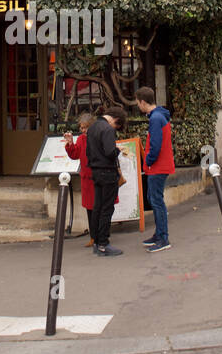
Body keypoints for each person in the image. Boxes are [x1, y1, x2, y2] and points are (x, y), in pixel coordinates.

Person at [136, 86, 175, 252]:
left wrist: (149, 160)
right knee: (154, 198)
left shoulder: (155, 118)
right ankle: (159, 234)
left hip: (158, 166)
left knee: (156, 200)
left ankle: (163, 237)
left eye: (138, 102)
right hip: (162, 164)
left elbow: (155, 144)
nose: (138, 105)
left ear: (143, 102)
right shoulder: (160, 115)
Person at [85, 105, 126, 257]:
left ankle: (96, 241)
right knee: (107, 208)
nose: (116, 128)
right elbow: (110, 152)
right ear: (115, 120)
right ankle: (103, 244)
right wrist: (118, 150)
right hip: (107, 172)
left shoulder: (93, 127)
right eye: (117, 125)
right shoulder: (108, 130)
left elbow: (88, 151)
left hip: (95, 171)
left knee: (97, 207)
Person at [63, 112, 96, 245]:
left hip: (96, 177)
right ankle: (93, 237)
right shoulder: (81, 139)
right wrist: (70, 144)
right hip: (86, 178)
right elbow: (75, 154)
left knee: (98, 207)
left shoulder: (97, 137)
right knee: (89, 208)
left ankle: (101, 235)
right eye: (82, 127)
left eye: (86, 127)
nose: (83, 130)